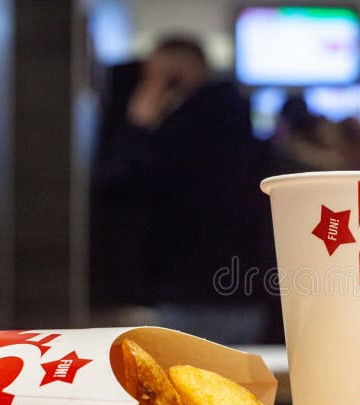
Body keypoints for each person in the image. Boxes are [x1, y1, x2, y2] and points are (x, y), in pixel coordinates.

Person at [91, 37, 280, 343]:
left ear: (173, 75)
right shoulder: (248, 134)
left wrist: (137, 125)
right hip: (244, 292)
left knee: (181, 387)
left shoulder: (170, 135)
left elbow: (115, 186)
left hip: (181, 293)